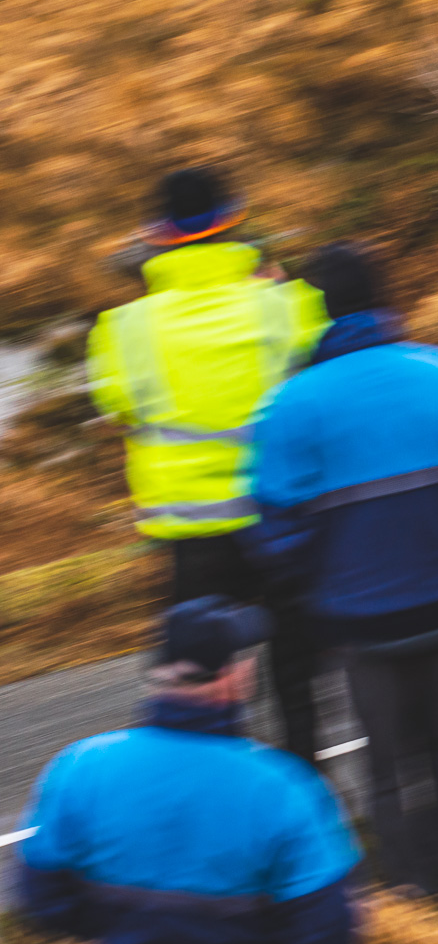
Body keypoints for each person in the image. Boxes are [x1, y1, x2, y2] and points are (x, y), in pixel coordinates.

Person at [13, 596, 360, 944]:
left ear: (159, 672)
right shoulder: (282, 786)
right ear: (235, 678)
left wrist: (123, 932)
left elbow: (41, 901)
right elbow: (326, 935)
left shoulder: (82, 768)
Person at [245, 243, 438, 912]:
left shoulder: (291, 402)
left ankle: (409, 895)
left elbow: (274, 523)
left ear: (320, 312)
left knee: (385, 757)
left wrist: (320, 575)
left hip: (357, 611)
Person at [86, 167, 330, 762]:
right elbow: (325, 366)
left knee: (201, 685)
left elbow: (113, 403)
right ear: (234, 222)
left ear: (156, 238)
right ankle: (312, 795)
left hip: (191, 535)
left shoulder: (124, 328)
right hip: (282, 517)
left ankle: (218, 813)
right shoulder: (284, 304)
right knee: (296, 671)